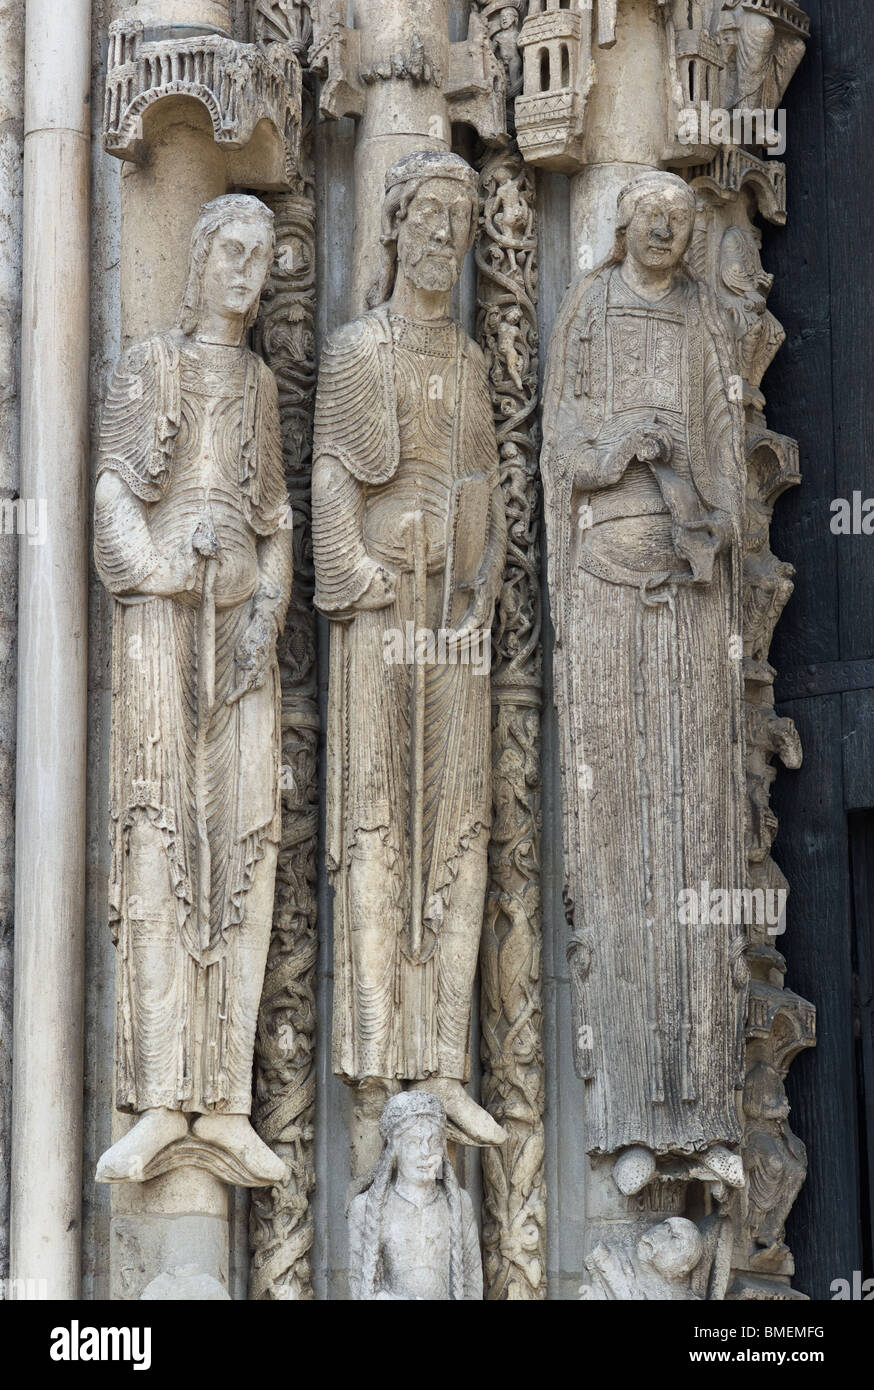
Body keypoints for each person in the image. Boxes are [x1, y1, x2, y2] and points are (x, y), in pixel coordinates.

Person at [94, 195, 292, 1185]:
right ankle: (157, 1095)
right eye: (229, 250)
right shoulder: (151, 366)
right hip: (161, 631)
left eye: (260, 255)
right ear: (199, 259)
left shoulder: (257, 381)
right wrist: (168, 566)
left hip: (237, 639)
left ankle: (224, 1099)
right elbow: (110, 495)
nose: (245, 270)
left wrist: (262, 613)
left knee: (242, 847)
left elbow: (279, 519)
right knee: (161, 841)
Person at [312, 150, 507, 1147]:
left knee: (459, 825)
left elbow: (481, 486)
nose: (444, 237)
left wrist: (476, 592)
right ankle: (381, 1051)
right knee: (379, 821)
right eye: (428, 217)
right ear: (392, 226)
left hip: (451, 625)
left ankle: (442, 1058)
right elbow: (336, 484)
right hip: (384, 614)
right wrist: (366, 570)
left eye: (459, 223)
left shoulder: (470, 361)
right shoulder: (356, 350)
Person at [347, 1091, 482, 1300]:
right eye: (413, 1142)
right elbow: (360, 1289)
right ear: (394, 1150)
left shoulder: (459, 1202)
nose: (425, 1152)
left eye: (434, 1141)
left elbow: (472, 1281)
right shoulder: (365, 1207)